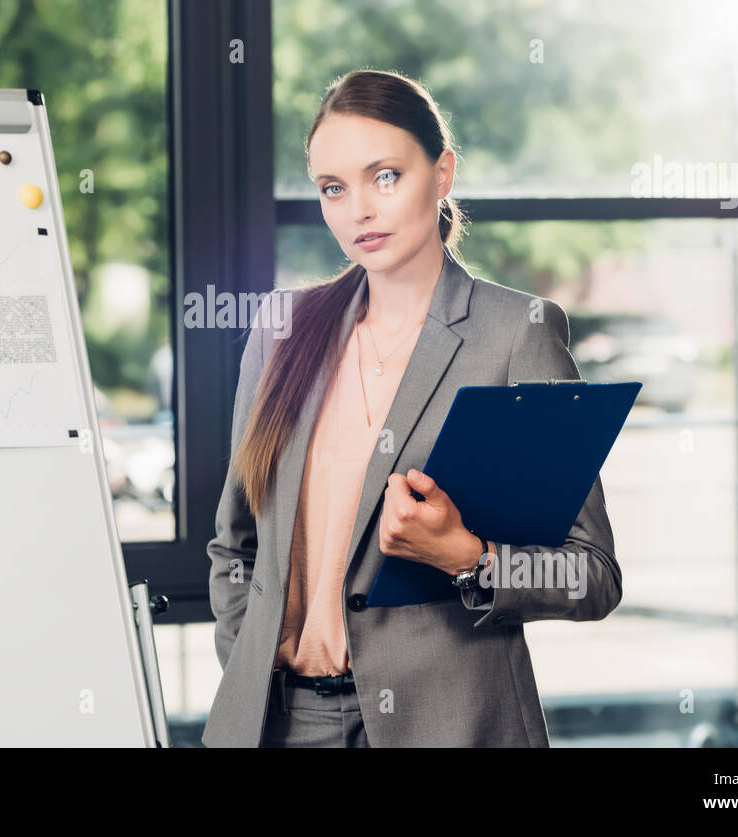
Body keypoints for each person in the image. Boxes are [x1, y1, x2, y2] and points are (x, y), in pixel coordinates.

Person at [203, 68, 622, 747]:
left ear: (443, 173)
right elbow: (235, 542)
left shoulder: (516, 334)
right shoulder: (280, 333)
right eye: (333, 188)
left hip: (444, 726)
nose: (358, 209)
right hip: (282, 725)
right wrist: (247, 666)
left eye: (385, 176)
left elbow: (592, 574)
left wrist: (468, 556)